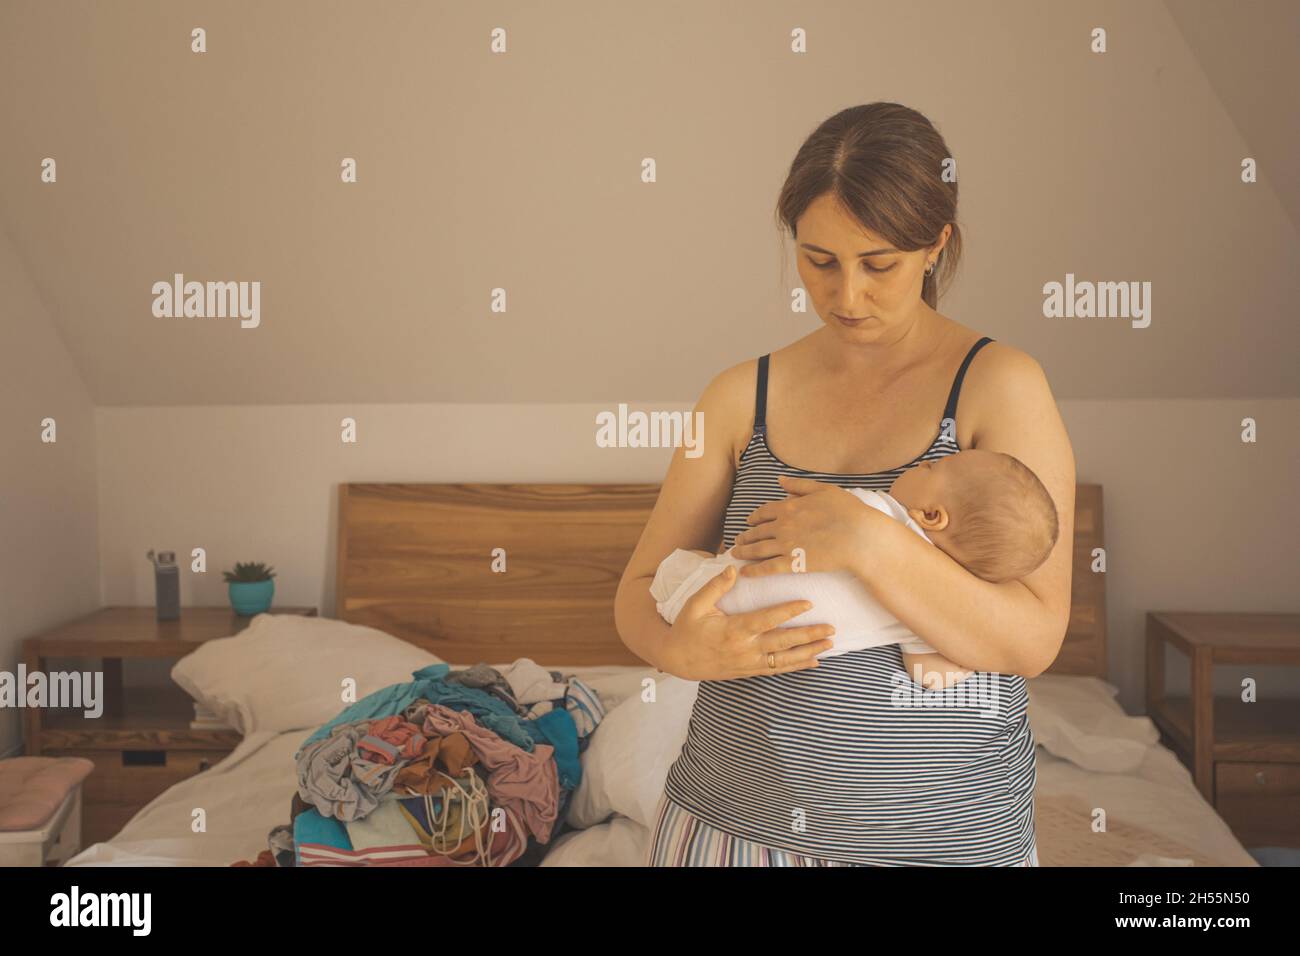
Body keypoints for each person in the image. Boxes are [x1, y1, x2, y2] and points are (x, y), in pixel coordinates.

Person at [613, 102, 1077, 866]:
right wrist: (680, 651)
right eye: (819, 260)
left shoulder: (1000, 385)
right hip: (729, 832)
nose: (846, 296)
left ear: (936, 245)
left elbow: (1033, 640)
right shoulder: (738, 397)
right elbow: (637, 590)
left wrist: (870, 543)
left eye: (878, 264)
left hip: (947, 844)